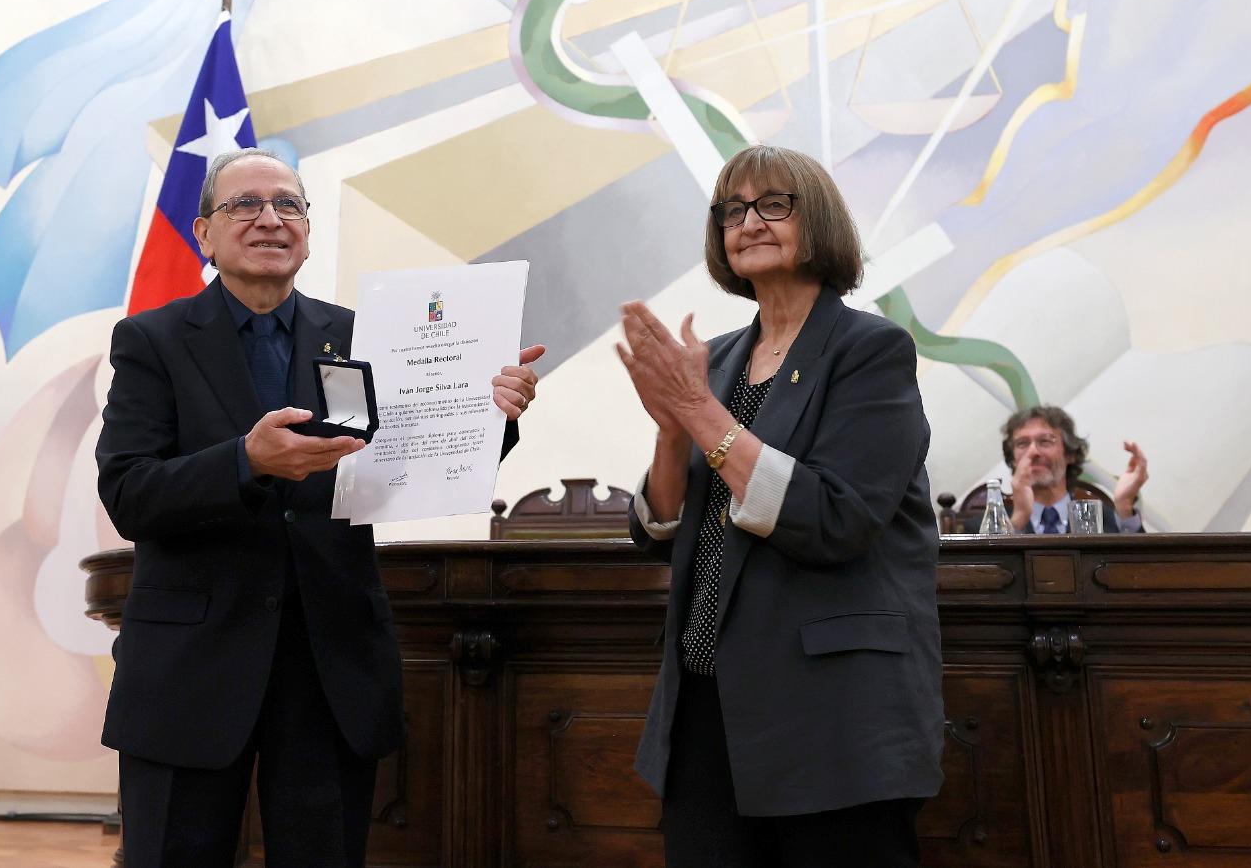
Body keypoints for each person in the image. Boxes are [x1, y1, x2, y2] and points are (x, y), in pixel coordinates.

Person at [95, 147, 544, 867]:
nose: (270, 218)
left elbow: (411, 458)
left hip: (329, 663)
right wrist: (246, 461)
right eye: (245, 204)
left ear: (307, 229)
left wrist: (494, 413)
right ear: (203, 234)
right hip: (192, 670)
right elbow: (129, 493)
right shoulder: (152, 340)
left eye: (289, 205)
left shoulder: (366, 337)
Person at [617, 145, 943, 868]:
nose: (749, 222)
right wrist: (672, 431)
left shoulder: (869, 350)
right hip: (707, 702)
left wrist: (696, 411)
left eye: (772, 204)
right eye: (732, 210)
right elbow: (663, 528)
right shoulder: (721, 359)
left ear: (816, 219)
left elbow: (836, 518)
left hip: (829, 711)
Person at [1000, 405, 1147, 534]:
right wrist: (1018, 519)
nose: (1033, 452)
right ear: (1012, 459)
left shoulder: (1106, 521)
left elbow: (1143, 565)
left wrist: (1125, 505)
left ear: (1070, 454)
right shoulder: (987, 524)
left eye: (1045, 441)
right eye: (1022, 443)